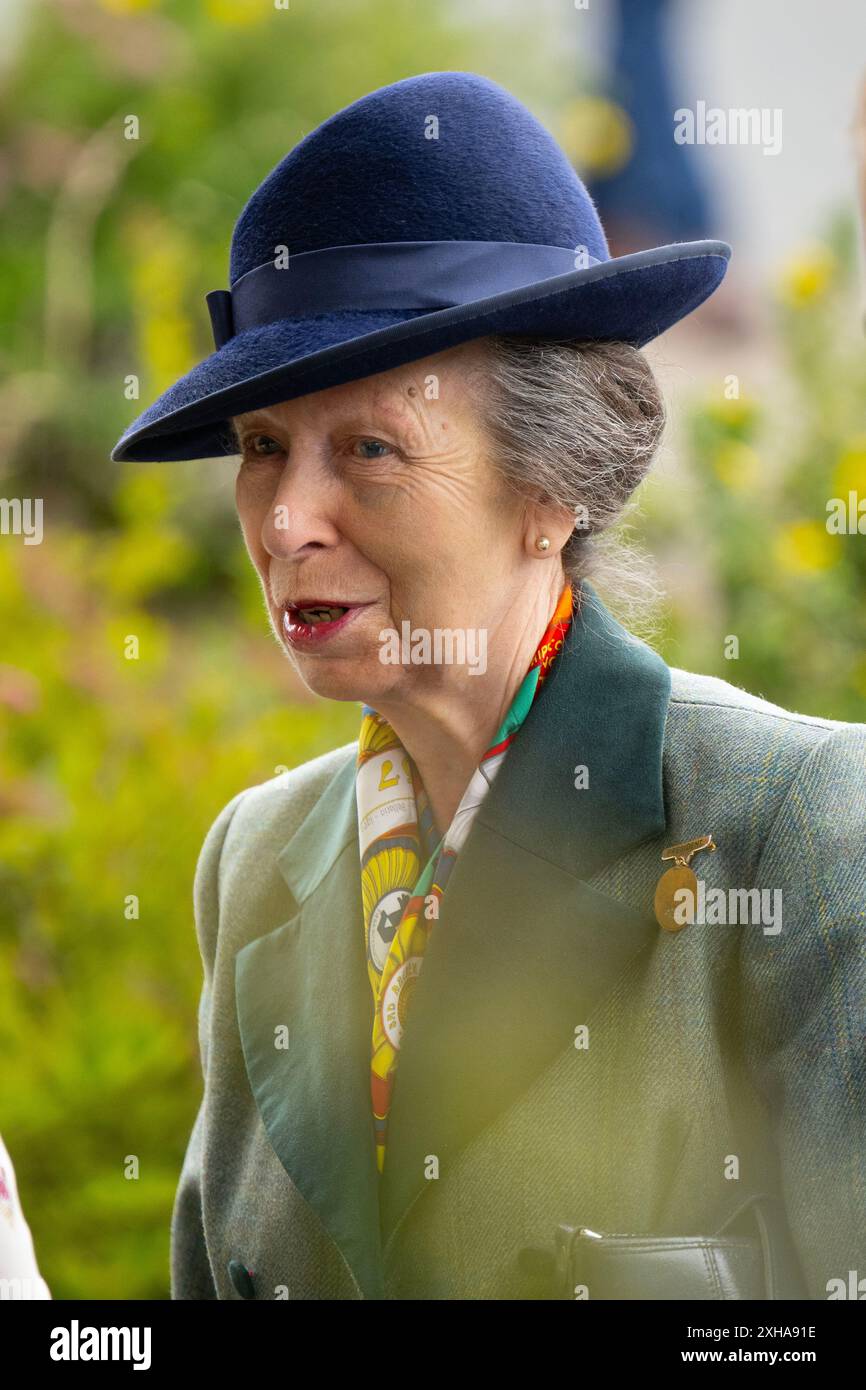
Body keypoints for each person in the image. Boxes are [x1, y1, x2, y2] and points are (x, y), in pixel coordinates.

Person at [111, 71, 866, 1301]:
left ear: (555, 484)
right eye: (261, 448)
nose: (287, 517)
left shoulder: (800, 827)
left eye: (368, 446)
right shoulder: (252, 861)